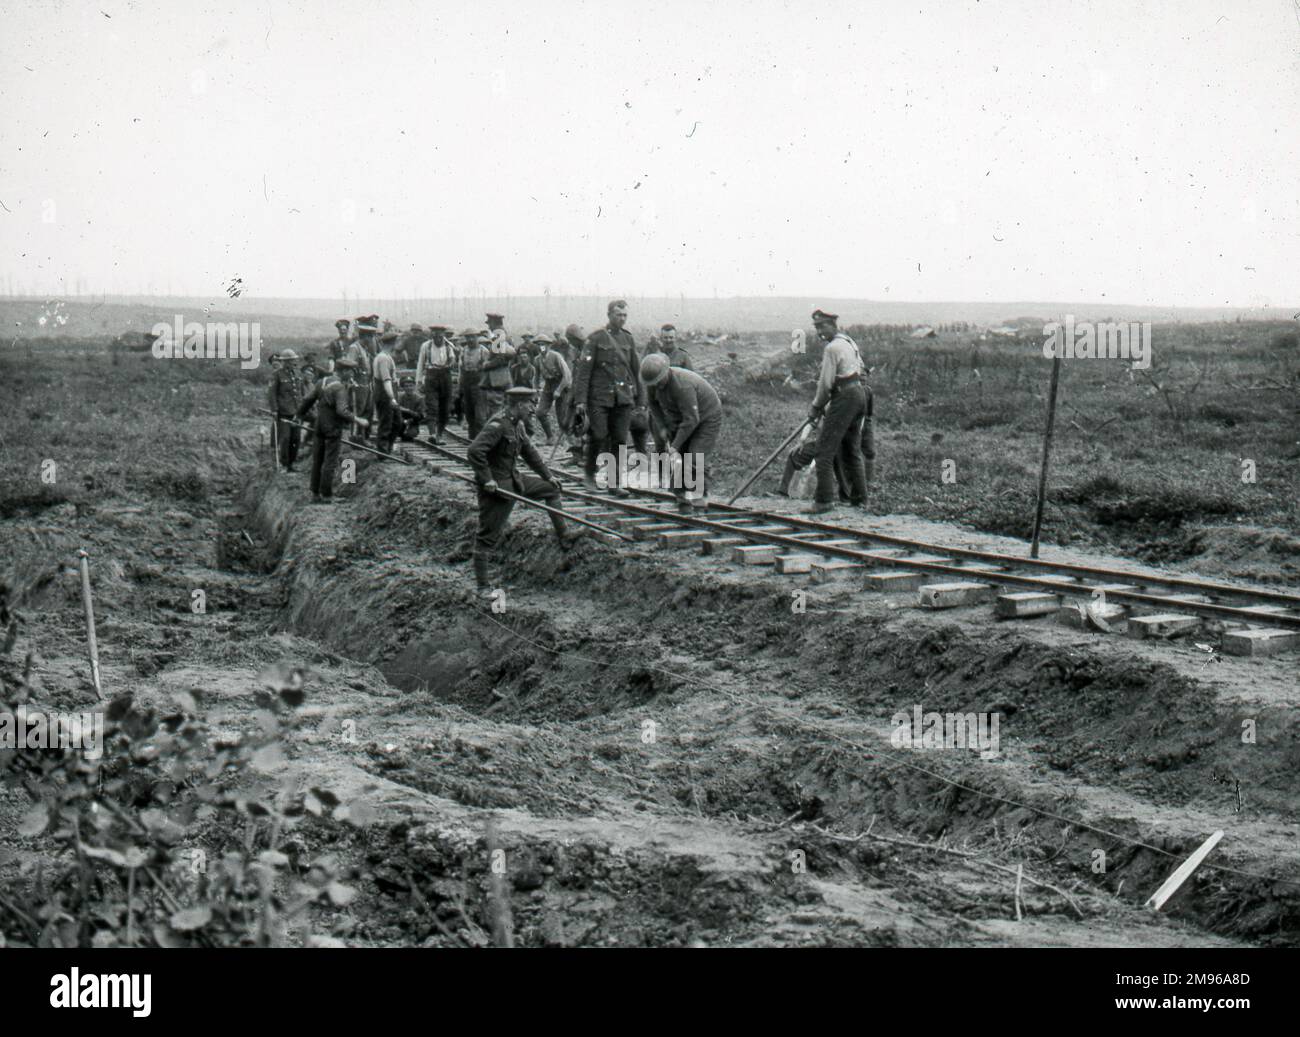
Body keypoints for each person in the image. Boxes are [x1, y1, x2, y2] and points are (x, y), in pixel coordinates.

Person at [466, 386, 581, 594]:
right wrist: (487, 480)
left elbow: (529, 452)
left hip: (514, 480)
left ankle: (564, 535)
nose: (532, 409)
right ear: (518, 405)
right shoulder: (498, 425)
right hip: (497, 489)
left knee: (551, 490)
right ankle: (482, 586)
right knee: (486, 537)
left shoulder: (517, 425)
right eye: (529, 404)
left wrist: (549, 476)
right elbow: (474, 451)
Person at [571, 300, 643, 497]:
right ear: (609, 315)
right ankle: (589, 475)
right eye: (619, 315)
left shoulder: (628, 340)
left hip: (623, 399)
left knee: (620, 440)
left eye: (624, 316)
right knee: (599, 436)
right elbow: (584, 372)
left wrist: (642, 401)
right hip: (599, 398)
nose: (622, 319)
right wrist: (580, 401)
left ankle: (614, 482)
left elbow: (636, 372)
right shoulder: (595, 338)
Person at [804, 309, 868, 514]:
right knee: (852, 449)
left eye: (823, 326)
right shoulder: (849, 342)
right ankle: (860, 499)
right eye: (817, 327)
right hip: (859, 394)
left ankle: (823, 501)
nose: (820, 331)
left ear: (833, 325)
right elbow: (860, 370)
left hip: (845, 397)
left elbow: (825, 384)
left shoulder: (832, 348)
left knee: (823, 450)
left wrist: (815, 407)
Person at [641, 355, 722, 513]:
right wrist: (663, 426)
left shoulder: (683, 386)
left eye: (659, 381)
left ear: (666, 373)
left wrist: (674, 445)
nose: (657, 385)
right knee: (680, 458)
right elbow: (653, 404)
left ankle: (700, 497)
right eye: (653, 383)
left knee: (694, 456)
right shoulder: (653, 383)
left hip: (707, 417)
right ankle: (681, 495)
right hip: (680, 417)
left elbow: (692, 420)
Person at [296, 356, 369, 503]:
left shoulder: (321, 382)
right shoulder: (340, 388)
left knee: (318, 460)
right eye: (350, 371)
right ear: (343, 371)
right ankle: (327, 495)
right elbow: (342, 411)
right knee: (330, 461)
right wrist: (357, 419)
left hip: (319, 426)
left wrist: (299, 415)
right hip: (333, 428)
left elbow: (307, 400)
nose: (352, 374)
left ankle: (315, 494)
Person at [415, 325, 456, 443]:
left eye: (440, 334)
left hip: (445, 376)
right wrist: (418, 381)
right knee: (432, 406)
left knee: (445, 408)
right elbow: (420, 363)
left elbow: (453, 359)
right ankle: (432, 433)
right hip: (431, 376)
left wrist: (452, 362)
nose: (437, 336)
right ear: (431, 334)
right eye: (435, 333)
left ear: (443, 334)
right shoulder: (426, 346)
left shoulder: (449, 346)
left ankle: (440, 434)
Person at [267, 349, 304, 472]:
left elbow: (300, 393)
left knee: (296, 439)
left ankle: (291, 464)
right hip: (284, 412)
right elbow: (272, 394)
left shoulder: (298, 374)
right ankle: (284, 464)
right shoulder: (277, 375)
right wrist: (274, 410)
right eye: (290, 360)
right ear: (285, 362)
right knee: (285, 439)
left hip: (296, 412)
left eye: (293, 360)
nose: (293, 362)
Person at [534, 333, 572, 444]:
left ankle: (567, 440)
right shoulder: (537, 360)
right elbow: (536, 377)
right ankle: (550, 437)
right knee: (540, 412)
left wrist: (559, 390)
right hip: (548, 385)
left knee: (561, 415)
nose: (541, 347)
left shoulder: (556, 356)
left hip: (561, 384)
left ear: (548, 345)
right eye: (539, 345)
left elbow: (567, 375)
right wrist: (535, 390)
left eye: (543, 345)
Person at [347, 317, 378, 438]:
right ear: (364, 336)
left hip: (367, 384)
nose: (371, 339)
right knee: (358, 411)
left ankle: (363, 436)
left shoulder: (364, 349)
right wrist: (352, 382)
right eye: (370, 336)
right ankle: (356, 437)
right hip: (358, 385)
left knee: (367, 411)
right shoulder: (355, 348)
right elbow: (349, 365)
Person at [372, 330, 401, 455]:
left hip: (388, 392)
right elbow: (386, 380)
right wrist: (392, 398)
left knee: (396, 422)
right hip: (385, 394)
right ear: (392, 343)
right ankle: (382, 452)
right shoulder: (383, 358)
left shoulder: (387, 356)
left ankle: (387, 448)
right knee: (386, 423)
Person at [458, 329, 489, 437]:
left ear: (477, 337)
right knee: (469, 410)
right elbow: (461, 368)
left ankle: (481, 437)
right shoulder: (464, 350)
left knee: (480, 412)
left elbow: (487, 368)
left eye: (472, 337)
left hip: (479, 382)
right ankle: (472, 436)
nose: (470, 339)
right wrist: (460, 382)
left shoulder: (483, 351)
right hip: (467, 381)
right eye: (468, 337)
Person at [480, 326, 516, 416]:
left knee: (496, 408)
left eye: (490, 323)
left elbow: (500, 359)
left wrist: (486, 365)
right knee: (506, 405)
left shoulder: (498, 336)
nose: (489, 326)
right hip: (504, 376)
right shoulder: (505, 337)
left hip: (497, 378)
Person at [396, 376, 425, 441]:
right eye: (406, 386)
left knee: (409, 436)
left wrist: (408, 412)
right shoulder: (399, 397)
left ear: (414, 386)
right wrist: (403, 421)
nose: (409, 388)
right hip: (400, 422)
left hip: (413, 423)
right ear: (403, 387)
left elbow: (421, 415)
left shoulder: (419, 398)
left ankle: (407, 433)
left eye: (411, 386)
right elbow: (395, 410)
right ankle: (399, 432)